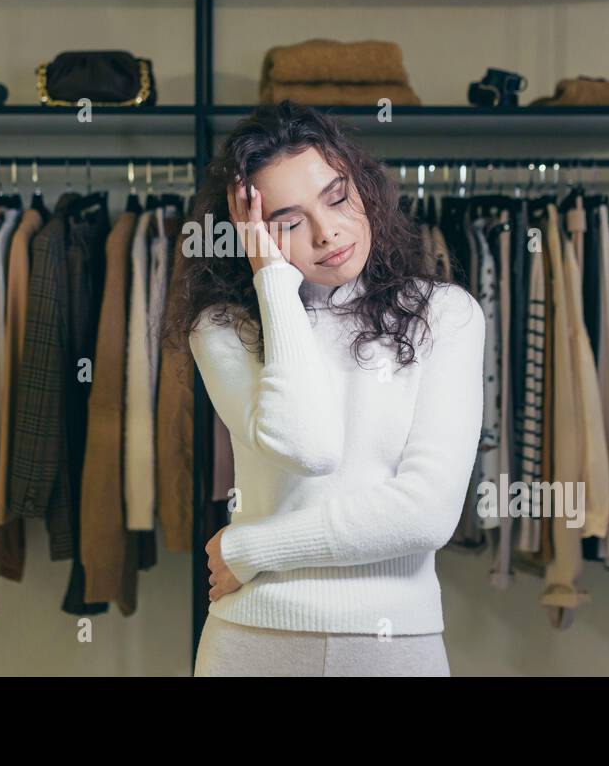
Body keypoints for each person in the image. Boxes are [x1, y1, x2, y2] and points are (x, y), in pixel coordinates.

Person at [162, 101, 485, 676]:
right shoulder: (224, 329)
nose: (326, 231)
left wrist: (252, 549)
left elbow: (427, 514)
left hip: (395, 645)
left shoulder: (446, 314)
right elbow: (310, 448)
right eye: (287, 222)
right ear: (251, 232)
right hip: (251, 642)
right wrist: (273, 284)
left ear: (362, 187)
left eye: (336, 198)